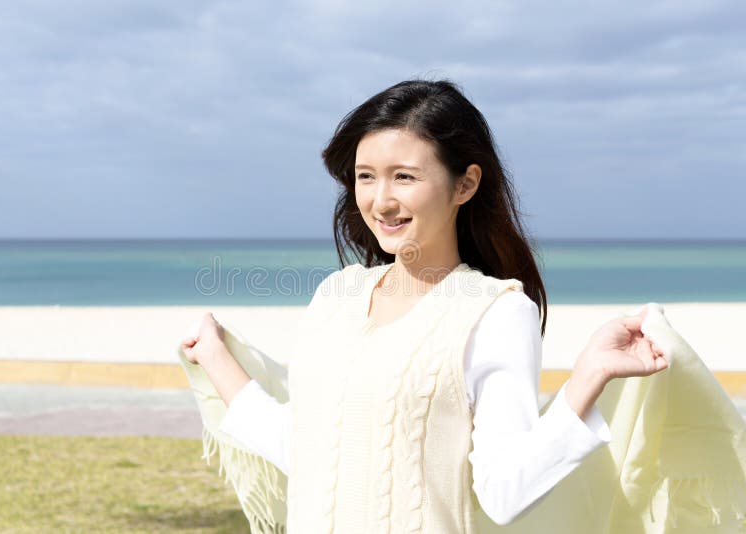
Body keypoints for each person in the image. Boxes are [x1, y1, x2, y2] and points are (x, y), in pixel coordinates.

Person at [180, 79, 669, 532]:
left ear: (465, 185)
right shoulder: (336, 295)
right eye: (366, 176)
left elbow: (503, 493)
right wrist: (216, 357)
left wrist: (588, 377)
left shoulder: (495, 312)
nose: (381, 200)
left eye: (405, 177)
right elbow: (305, 448)